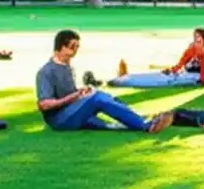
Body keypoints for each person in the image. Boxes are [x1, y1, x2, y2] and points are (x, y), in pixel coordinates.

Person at [36, 29, 173, 133]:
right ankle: (147, 126)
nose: (76, 50)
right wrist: (73, 97)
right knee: (97, 98)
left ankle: (141, 119)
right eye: (73, 46)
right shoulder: (46, 71)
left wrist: (80, 92)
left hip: (71, 111)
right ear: (61, 47)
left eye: (77, 46)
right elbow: (44, 105)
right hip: (59, 120)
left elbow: (68, 94)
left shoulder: (67, 67)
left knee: (104, 100)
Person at [109, 28, 204, 87]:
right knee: (158, 75)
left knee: (159, 81)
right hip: (181, 74)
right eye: (194, 38)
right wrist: (171, 70)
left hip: (194, 77)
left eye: (198, 38)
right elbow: (181, 64)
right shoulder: (191, 50)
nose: (195, 41)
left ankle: (123, 81)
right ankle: (127, 76)